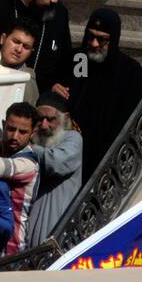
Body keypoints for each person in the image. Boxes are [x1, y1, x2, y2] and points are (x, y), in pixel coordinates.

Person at [66, 9, 142, 181]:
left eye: (102, 39)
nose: (94, 43)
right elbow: (74, 94)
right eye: (91, 36)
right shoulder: (79, 60)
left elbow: (128, 123)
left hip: (106, 158)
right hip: (70, 152)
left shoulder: (130, 72)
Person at [0, 102, 41, 258]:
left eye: (22, 132)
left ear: (33, 133)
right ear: (4, 125)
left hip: (11, 248)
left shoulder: (28, 164)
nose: (15, 136)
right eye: (11, 129)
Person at [24, 93, 84, 248]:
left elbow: (55, 163)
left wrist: (28, 147)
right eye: (39, 119)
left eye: (50, 119)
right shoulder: (37, 141)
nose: (44, 125)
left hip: (54, 235)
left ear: (65, 118)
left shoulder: (72, 139)